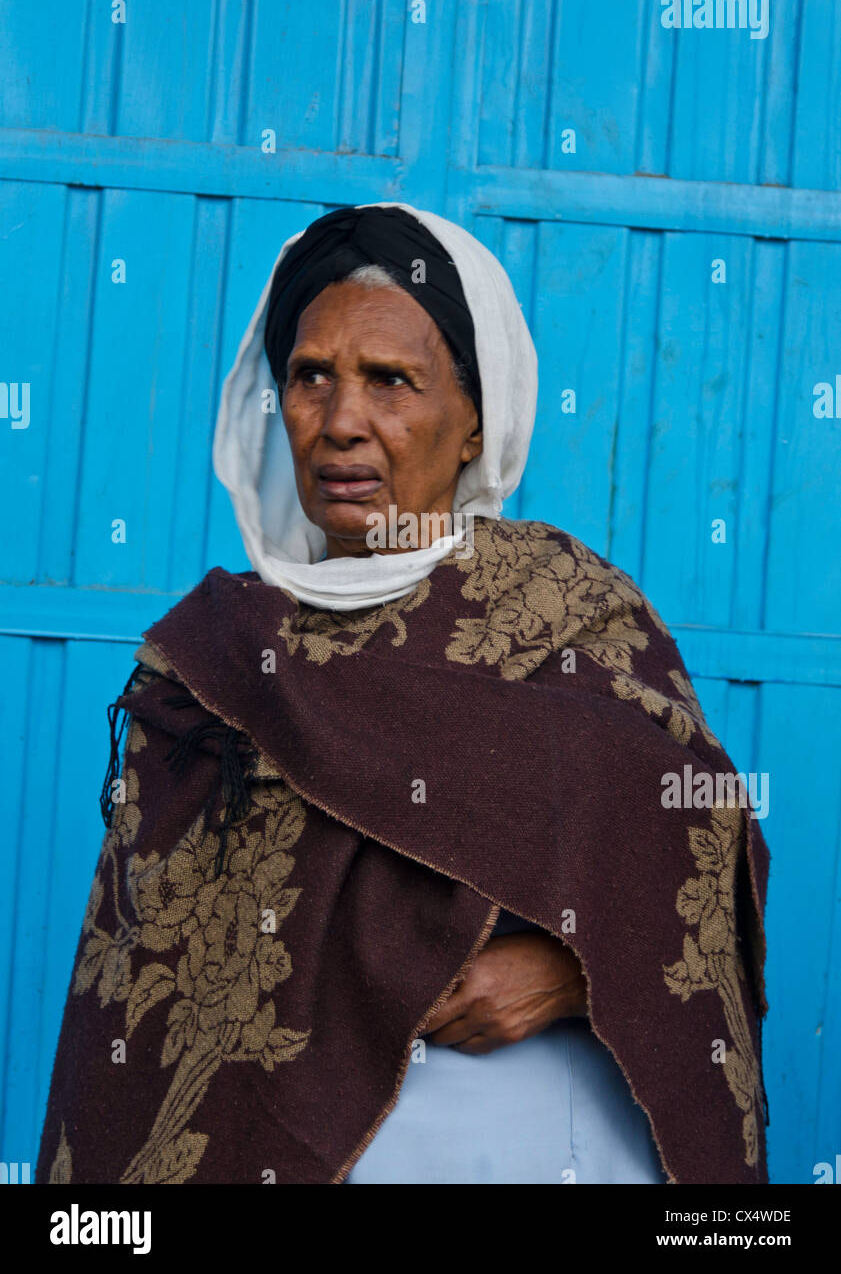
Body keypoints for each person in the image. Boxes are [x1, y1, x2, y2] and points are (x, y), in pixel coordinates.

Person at [36, 203, 770, 1186]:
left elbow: (704, 851)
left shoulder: (572, 613)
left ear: (475, 417)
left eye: (390, 381)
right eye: (310, 377)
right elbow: (148, 989)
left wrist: (570, 973)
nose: (341, 421)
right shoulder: (212, 658)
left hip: (541, 1142)